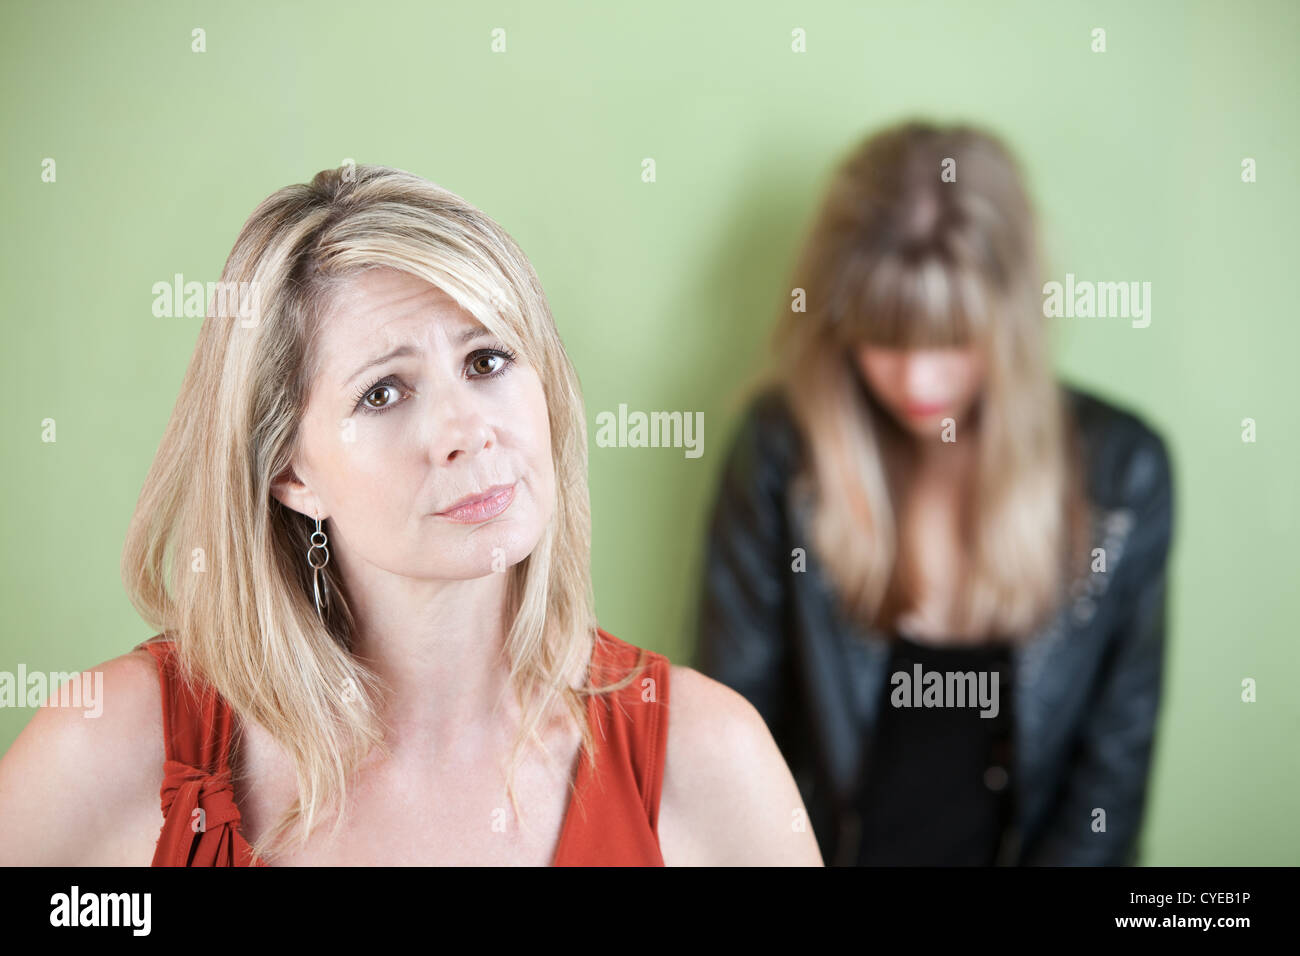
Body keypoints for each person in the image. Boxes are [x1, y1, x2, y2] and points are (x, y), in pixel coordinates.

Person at [0, 164, 822, 866]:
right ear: (288, 472)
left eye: (487, 358)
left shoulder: (708, 759)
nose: (468, 431)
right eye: (384, 392)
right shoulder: (110, 750)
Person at [696, 121, 1174, 866]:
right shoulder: (777, 454)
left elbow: (1108, 786)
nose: (917, 383)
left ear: (1012, 324)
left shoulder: (1125, 476)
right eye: (883, 336)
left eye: (951, 339)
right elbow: (731, 744)